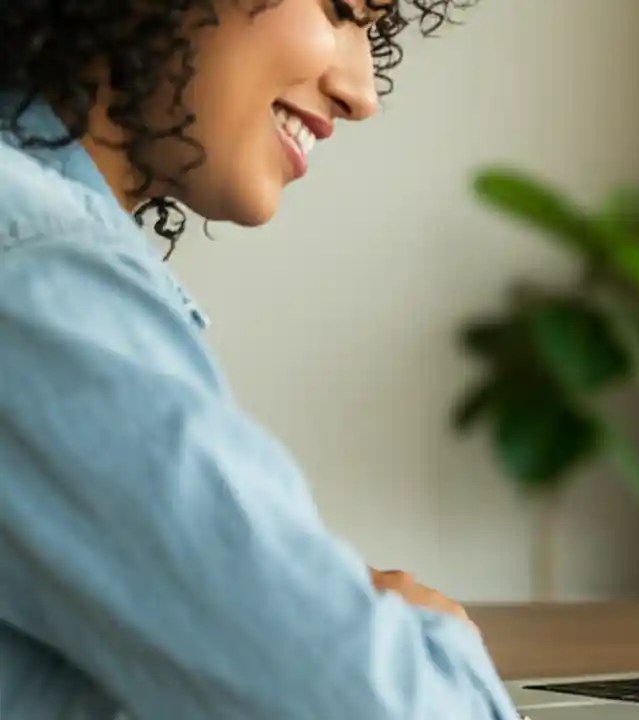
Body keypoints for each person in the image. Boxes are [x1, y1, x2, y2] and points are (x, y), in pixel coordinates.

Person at [0, 1, 519, 718]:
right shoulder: (38, 277)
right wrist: (424, 642)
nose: (363, 93)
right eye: (340, 8)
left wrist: (292, 605)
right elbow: (380, 708)